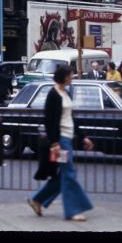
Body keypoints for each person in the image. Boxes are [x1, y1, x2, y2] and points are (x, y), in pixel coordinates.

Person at [27, 66, 93, 222]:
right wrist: (55, 142)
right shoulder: (53, 94)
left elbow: (71, 118)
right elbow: (49, 121)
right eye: (71, 75)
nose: (73, 77)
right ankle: (73, 210)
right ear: (64, 77)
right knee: (69, 174)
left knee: (64, 175)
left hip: (68, 138)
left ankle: (37, 200)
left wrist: (83, 137)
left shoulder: (66, 93)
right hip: (61, 140)